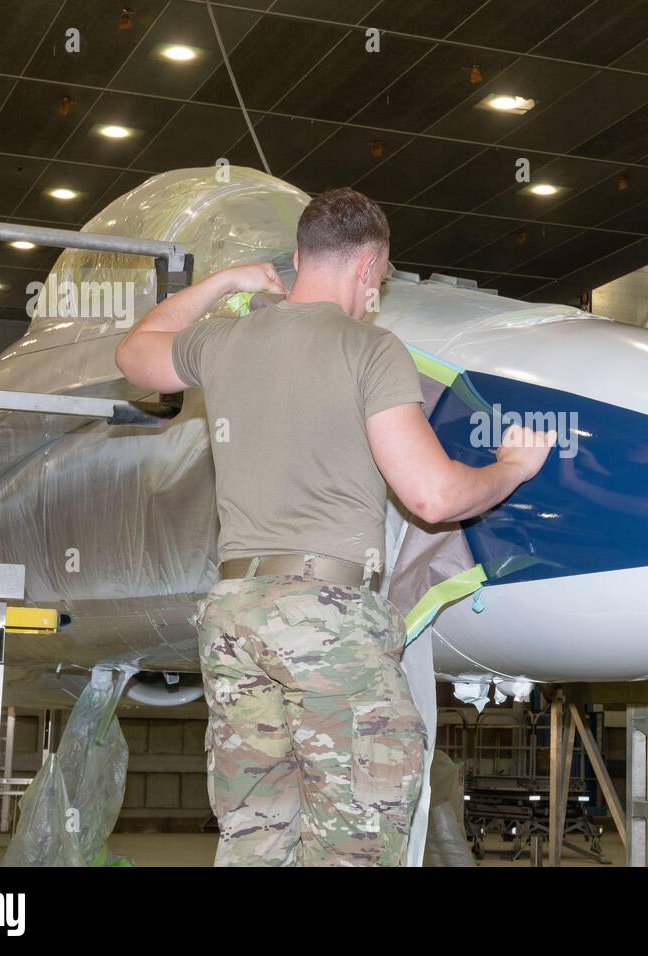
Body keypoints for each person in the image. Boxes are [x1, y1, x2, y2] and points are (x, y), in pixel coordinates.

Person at [115, 187, 554, 865]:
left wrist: (221, 283)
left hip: (233, 619)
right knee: (356, 837)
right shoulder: (371, 350)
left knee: (256, 836)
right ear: (370, 270)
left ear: (297, 258)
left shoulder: (225, 340)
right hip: (323, 618)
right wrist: (513, 468)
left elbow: (135, 355)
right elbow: (433, 497)